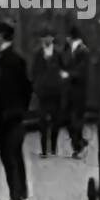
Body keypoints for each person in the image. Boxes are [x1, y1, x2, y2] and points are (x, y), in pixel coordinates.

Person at [0, 20, 33, 200]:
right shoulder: (17, 59)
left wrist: (6, 110)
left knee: (9, 157)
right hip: (14, 115)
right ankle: (20, 193)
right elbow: (27, 88)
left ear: (2, 36)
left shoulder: (5, 61)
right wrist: (21, 109)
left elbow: (2, 91)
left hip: (6, 117)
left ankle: (16, 196)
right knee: (15, 155)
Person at [30, 28, 66, 156]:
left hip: (56, 92)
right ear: (41, 39)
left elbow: (63, 69)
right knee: (42, 122)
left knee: (56, 121)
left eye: (49, 37)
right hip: (43, 93)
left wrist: (60, 83)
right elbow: (34, 72)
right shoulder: (37, 54)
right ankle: (44, 149)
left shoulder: (58, 53)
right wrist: (36, 87)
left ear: (52, 38)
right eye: (44, 37)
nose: (47, 39)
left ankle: (53, 147)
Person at [61, 24, 91, 158]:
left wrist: (69, 75)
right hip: (69, 90)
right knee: (68, 118)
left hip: (79, 90)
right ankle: (79, 141)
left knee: (76, 119)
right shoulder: (68, 50)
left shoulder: (83, 51)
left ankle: (77, 146)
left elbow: (82, 71)